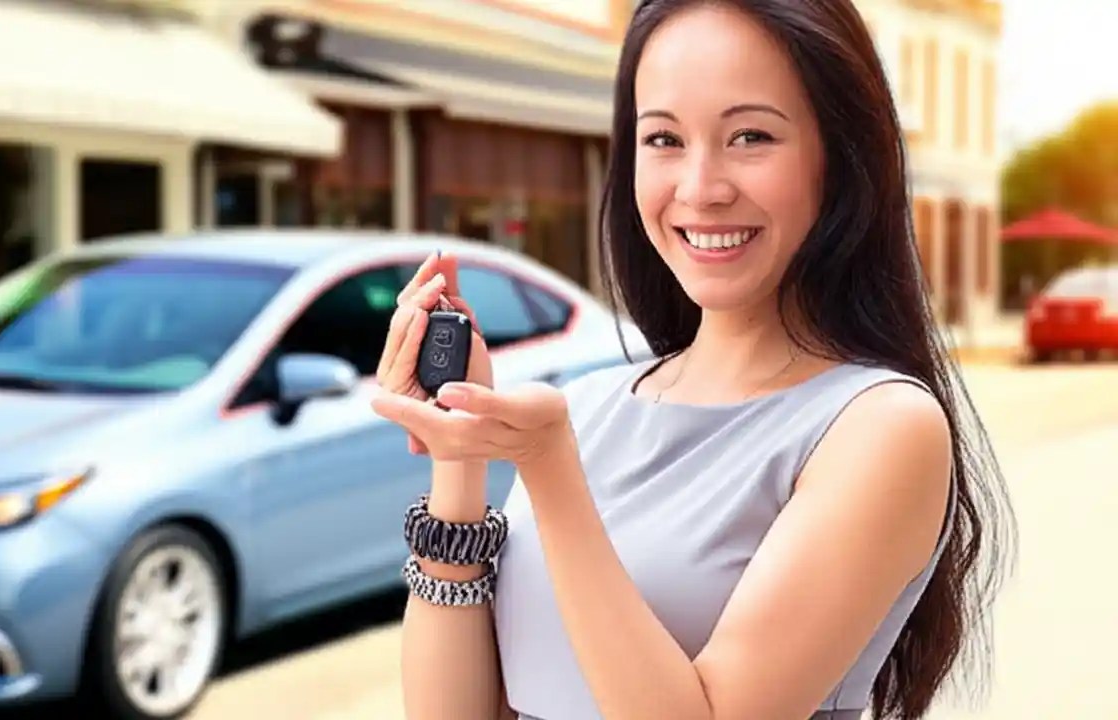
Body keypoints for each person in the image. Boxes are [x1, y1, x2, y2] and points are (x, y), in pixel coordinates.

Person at [370, 1, 1018, 718]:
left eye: (750, 136)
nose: (701, 188)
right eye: (664, 139)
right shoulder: (585, 409)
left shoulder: (881, 428)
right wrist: (457, 458)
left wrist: (552, 473)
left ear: (840, 158)